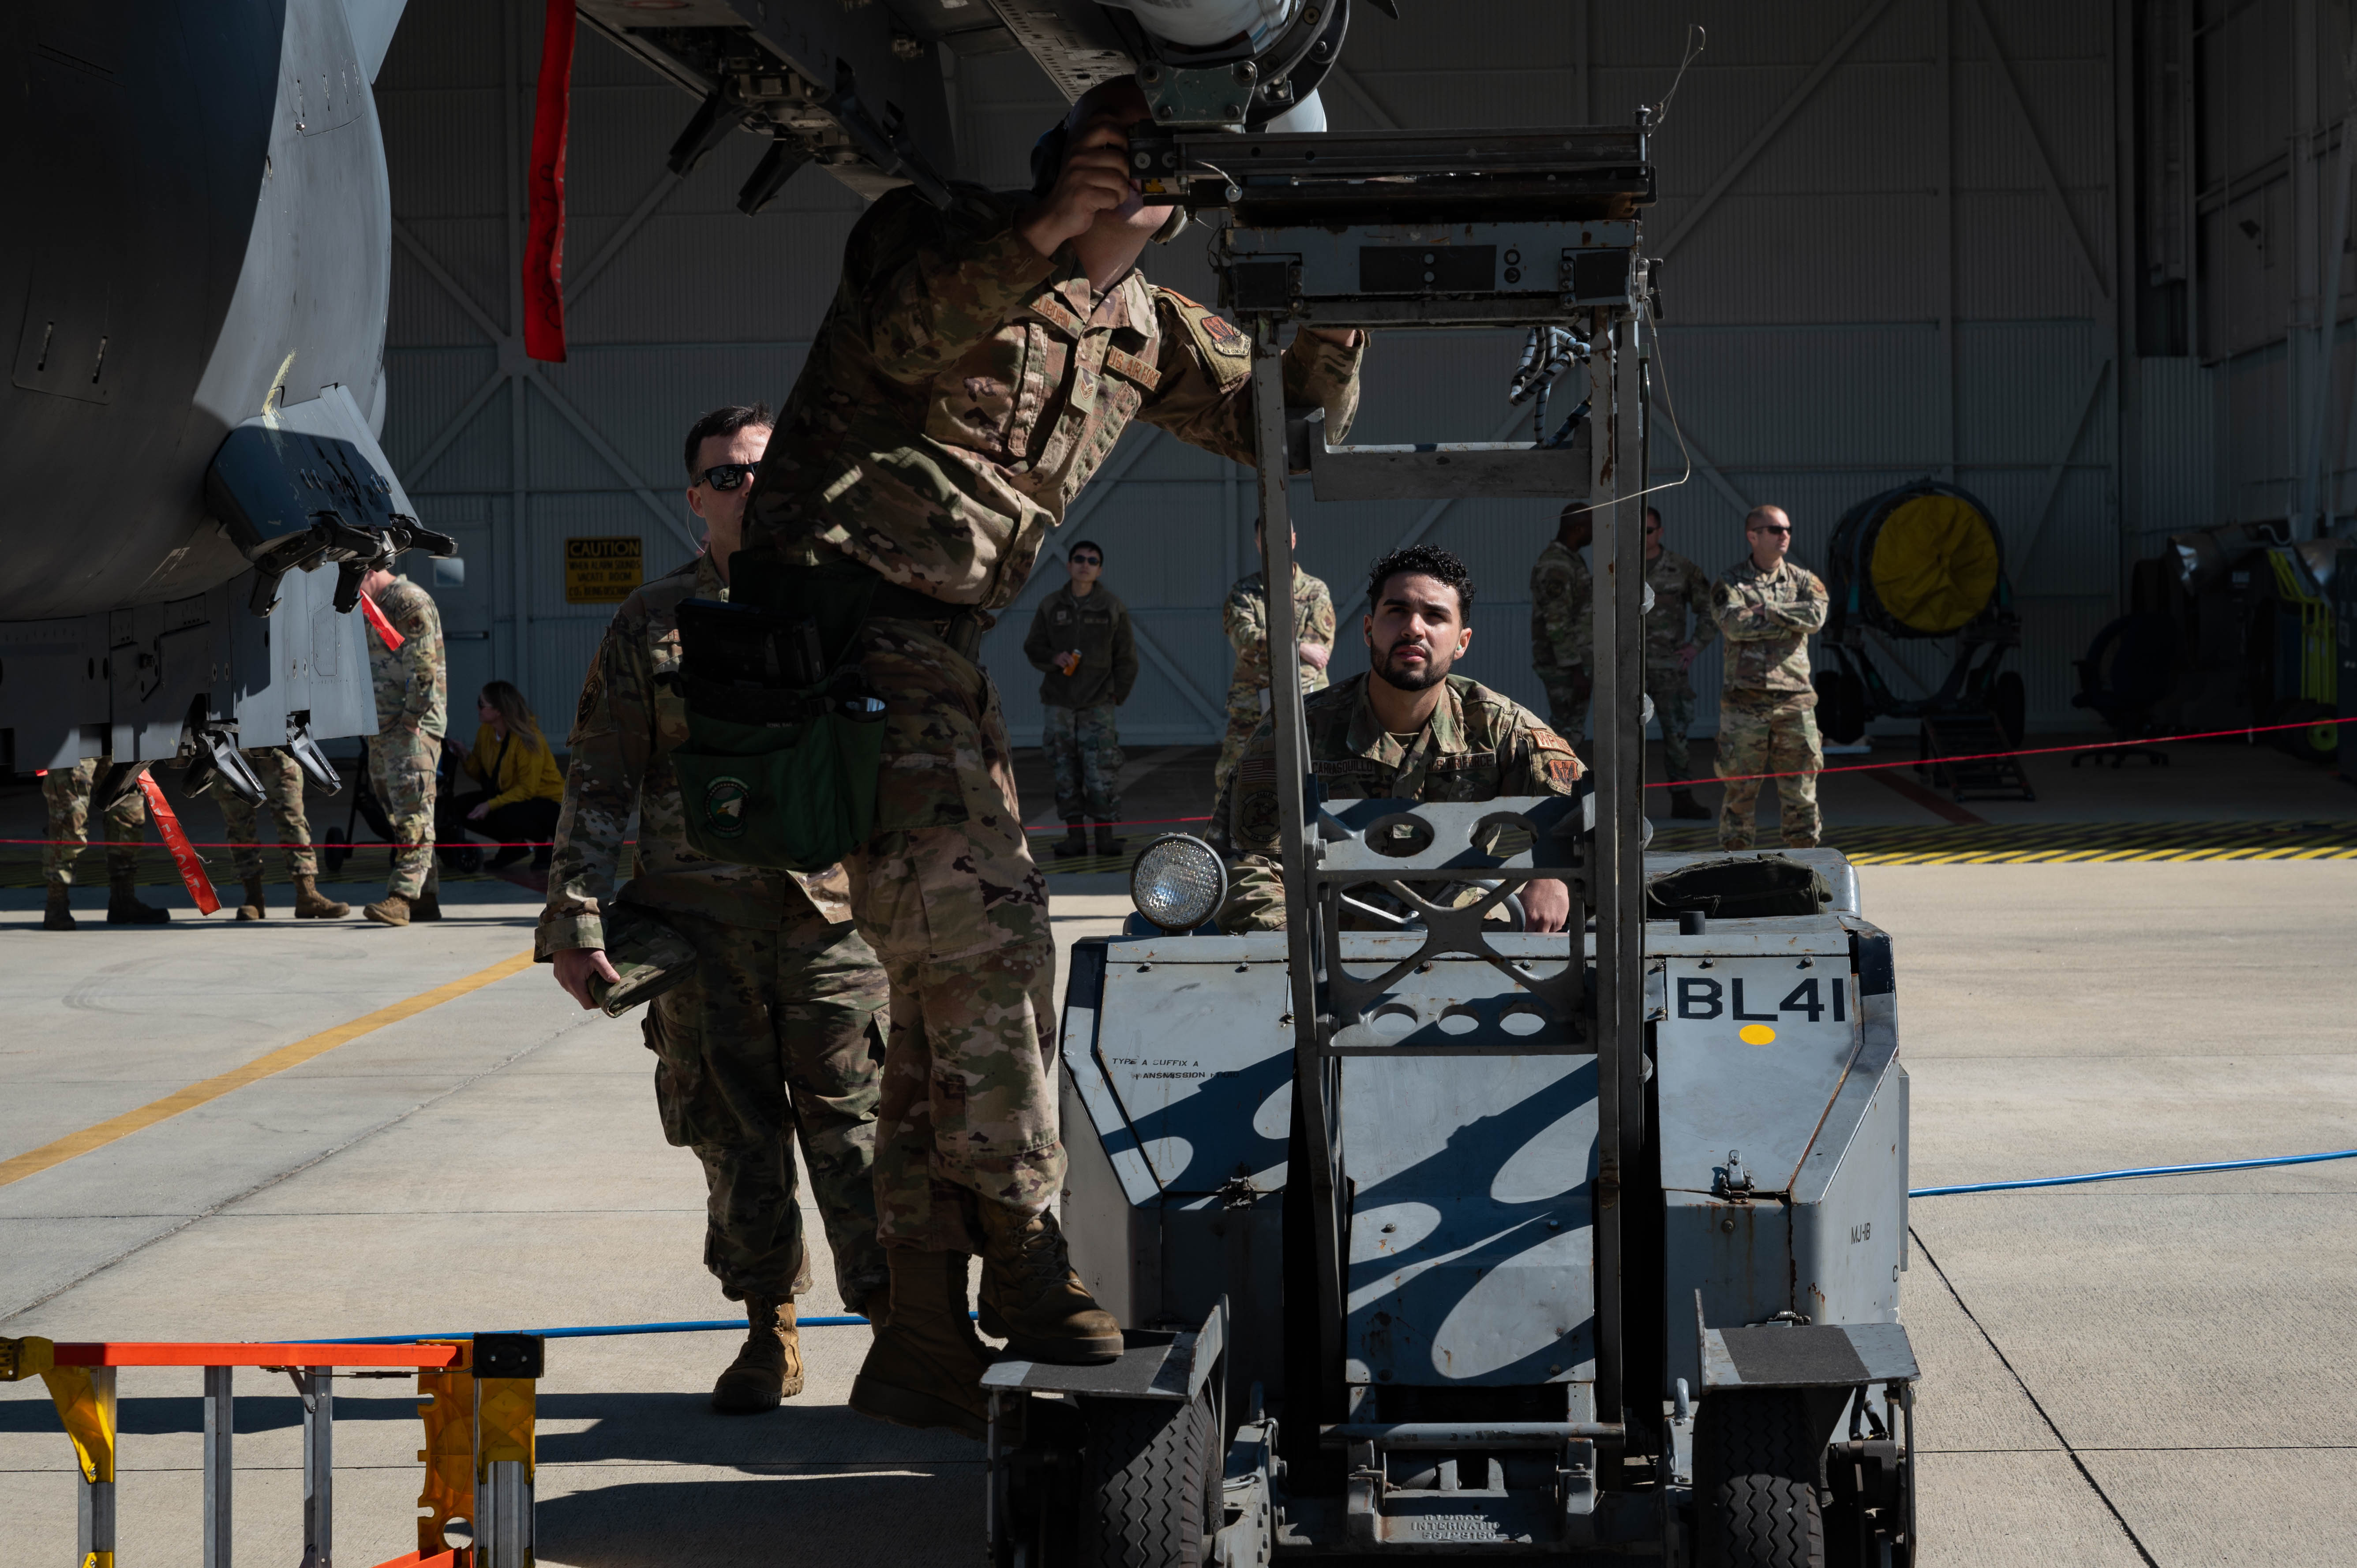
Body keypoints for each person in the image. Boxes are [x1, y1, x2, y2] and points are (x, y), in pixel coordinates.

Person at [733, 74, 1364, 1431]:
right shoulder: (934, 233)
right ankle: (1022, 1257)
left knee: (950, 999)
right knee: (995, 951)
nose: (1135, 176)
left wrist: (1335, 287)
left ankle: (920, 1332)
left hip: (939, 666)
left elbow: (1291, 427)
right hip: (829, 641)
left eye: (1158, 162)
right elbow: (900, 338)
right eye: (1114, 150)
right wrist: (1037, 233)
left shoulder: (1147, 327)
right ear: (1062, 154)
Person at [543, 404, 891, 1416]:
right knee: (734, 1147)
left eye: (764, 469)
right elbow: (599, 774)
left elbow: (919, 767)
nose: (748, 487)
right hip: (701, 937)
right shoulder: (651, 621)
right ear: (695, 496)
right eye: (726, 475)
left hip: (835, 930)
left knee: (861, 1143)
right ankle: (767, 1332)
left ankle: (900, 1335)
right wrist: (573, 920)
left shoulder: (859, 610)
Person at [1221, 544, 1583, 932]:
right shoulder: (1297, 732)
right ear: (1368, 629)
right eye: (1396, 611)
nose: (1413, 628)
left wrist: (1555, 875)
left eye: (1435, 616)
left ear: (1462, 642)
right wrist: (1291, 944)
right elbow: (1246, 863)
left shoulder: (1500, 728)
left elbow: (1597, 819)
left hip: (1470, 941)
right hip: (1334, 943)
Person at [1711, 505, 1829, 850]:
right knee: (1739, 789)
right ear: (1753, 535)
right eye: (1776, 529)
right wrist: (1788, 624)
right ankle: (1735, 862)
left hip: (1795, 701)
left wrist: (1768, 611)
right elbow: (1734, 625)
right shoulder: (1730, 582)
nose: (1785, 535)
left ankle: (1804, 862)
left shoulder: (1804, 581)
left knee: (1801, 790)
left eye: (1788, 529)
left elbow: (1816, 617)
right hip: (1744, 702)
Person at [1021, 539, 1138, 858]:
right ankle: (1074, 838)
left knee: (1101, 770)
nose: (1085, 564)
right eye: (1079, 559)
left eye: (1092, 561)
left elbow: (1127, 658)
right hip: (1059, 704)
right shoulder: (1051, 606)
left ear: (1100, 570)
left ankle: (1105, 838)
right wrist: (1052, 658)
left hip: (1097, 705)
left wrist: (1115, 695)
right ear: (1069, 565)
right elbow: (1033, 646)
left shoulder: (1111, 607)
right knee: (1064, 770)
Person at [1216, 518, 1335, 801]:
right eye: (1267, 540)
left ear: (1293, 540)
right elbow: (1245, 642)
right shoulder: (1244, 593)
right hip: (1252, 706)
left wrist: (1271, 647)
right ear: (1258, 544)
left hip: (1307, 703)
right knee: (1234, 776)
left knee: (1315, 775)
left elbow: (1318, 655)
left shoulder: (1315, 591)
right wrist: (1298, 647)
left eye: (1282, 538)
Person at [357, 562, 448, 926]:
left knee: (413, 813)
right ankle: (425, 897)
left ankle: (402, 896)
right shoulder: (371, 604)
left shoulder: (407, 600)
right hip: (383, 728)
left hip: (409, 728)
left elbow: (424, 669)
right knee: (398, 813)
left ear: (369, 569)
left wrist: (412, 720)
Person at [445, 680, 566, 894]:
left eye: (482, 704)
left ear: (499, 711)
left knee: (502, 811)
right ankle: (514, 846)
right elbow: (484, 775)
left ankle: (546, 842)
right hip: (514, 798)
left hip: (548, 804)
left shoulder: (528, 739)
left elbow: (527, 790)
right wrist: (464, 756)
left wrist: (490, 805)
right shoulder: (486, 732)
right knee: (458, 807)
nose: (477, 708)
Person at [1642, 507, 1719, 821]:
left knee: (1677, 736)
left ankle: (1683, 797)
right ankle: (1621, 802)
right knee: (1623, 739)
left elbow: (1711, 609)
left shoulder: (1682, 568)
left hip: (1669, 668)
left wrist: (1694, 647)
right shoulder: (1618, 567)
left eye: (1649, 530)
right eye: (1638, 529)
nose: (1643, 535)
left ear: (1660, 532)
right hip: (1626, 669)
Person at [221, 749, 348, 921]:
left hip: (275, 742)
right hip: (228, 745)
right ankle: (253, 897)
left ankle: (307, 895)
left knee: (292, 817)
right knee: (239, 824)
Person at [40, 758, 164, 929]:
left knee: (129, 818)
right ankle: (56, 904)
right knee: (69, 820)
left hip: (120, 744)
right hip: (74, 744)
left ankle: (123, 900)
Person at [1530, 504, 1593, 744]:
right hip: (1565, 667)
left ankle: (1565, 768)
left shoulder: (1571, 560)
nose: (1595, 533)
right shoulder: (1557, 565)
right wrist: (1576, 670)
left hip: (1573, 664)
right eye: (1592, 527)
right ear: (1578, 529)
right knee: (1566, 731)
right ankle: (1560, 769)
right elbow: (1556, 621)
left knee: (1571, 729)